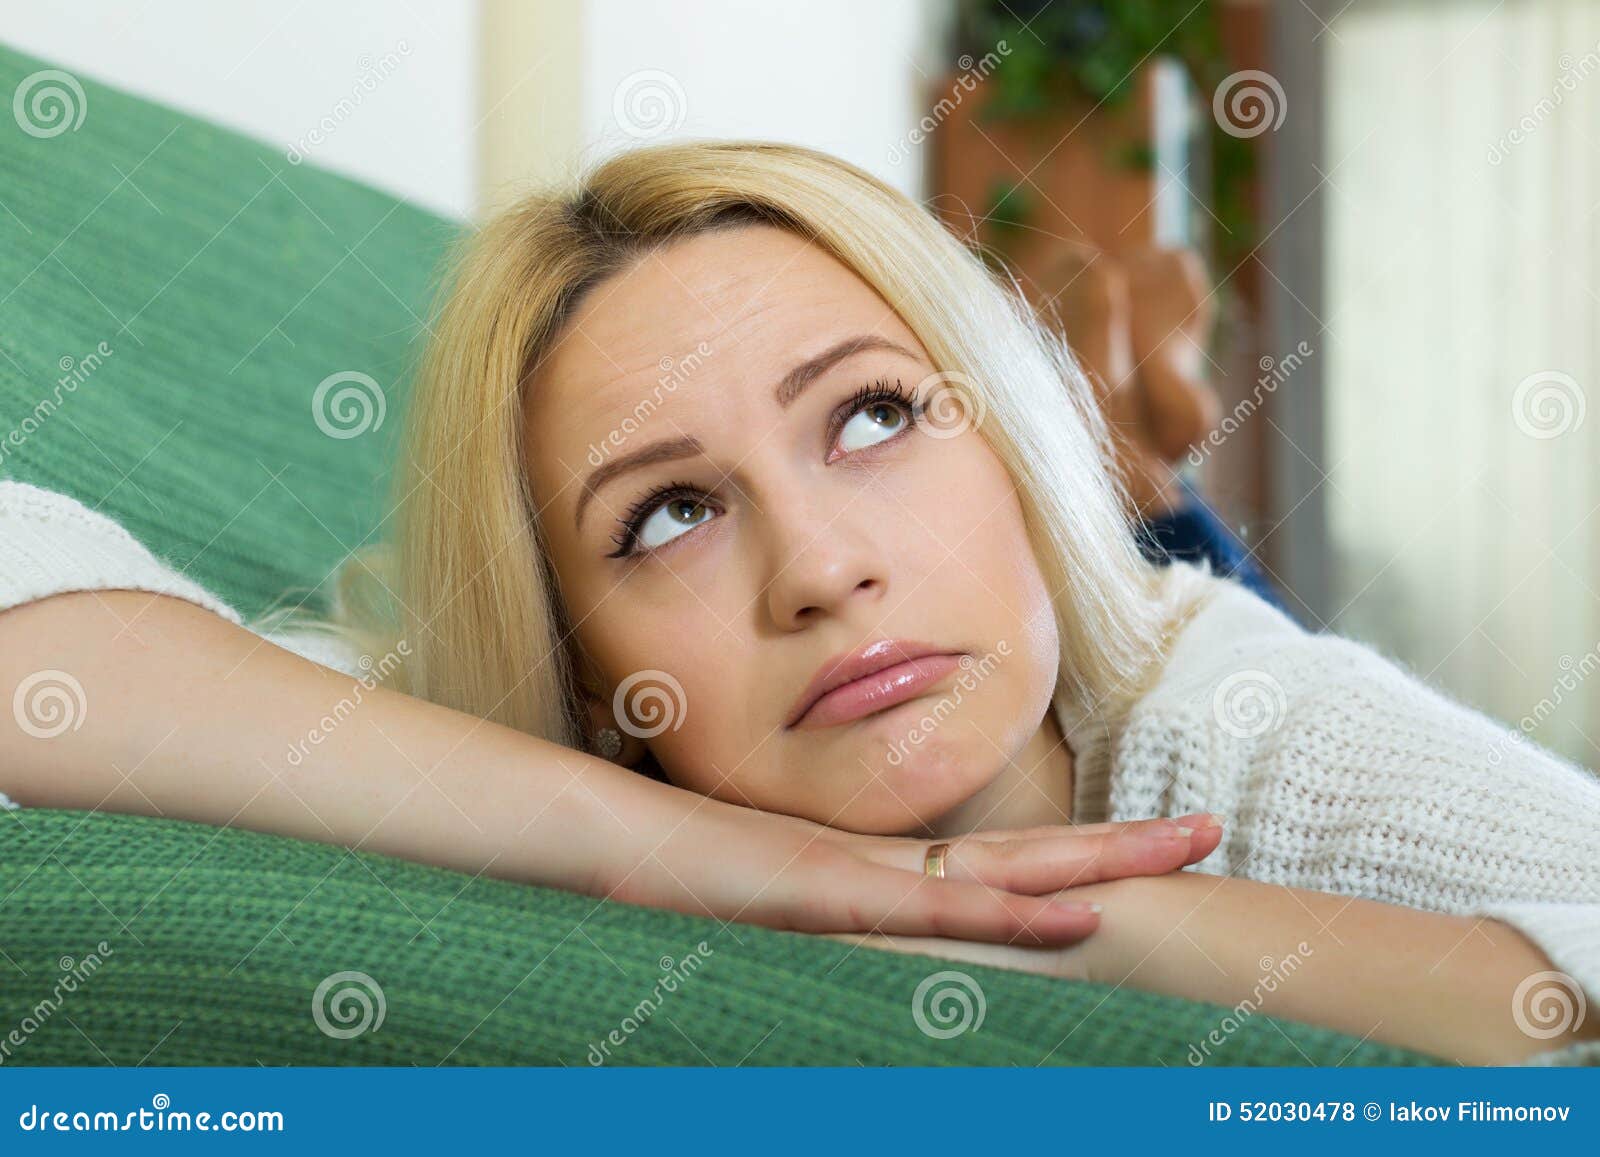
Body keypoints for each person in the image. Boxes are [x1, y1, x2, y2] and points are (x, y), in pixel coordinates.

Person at [2, 139, 1597, 1067]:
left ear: (1016, 447)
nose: (824, 568)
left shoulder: (1237, 722)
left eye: (875, 416)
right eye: (669, 514)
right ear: (576, 657)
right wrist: (682, 849)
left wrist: (1014, 914)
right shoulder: (490, 748)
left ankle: (1144, 450)